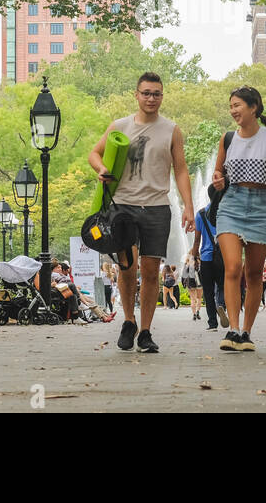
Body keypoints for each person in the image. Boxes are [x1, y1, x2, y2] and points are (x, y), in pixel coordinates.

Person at [88, 72, 195, 354]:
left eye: (156, 94)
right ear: (136, 95)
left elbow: (181, 169)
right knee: (127, 267)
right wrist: (101, 169)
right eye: (146, 93)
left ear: (162, 96)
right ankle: (128, 321)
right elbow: (94, 154)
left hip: (158, 206)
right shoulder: (120, 126)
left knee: (150, 271)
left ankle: (146, 331)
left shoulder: (172, 129)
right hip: (123, 205)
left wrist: (188, 206)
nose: (151, 98)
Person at [211, 86, 266, 352]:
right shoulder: (228, 138)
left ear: (253, 107)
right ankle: (232, 330)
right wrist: (218, 181)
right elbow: (217, 175)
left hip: (259, 206)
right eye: (231, 106)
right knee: (232, 267)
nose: (233, 111)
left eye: (237, 105)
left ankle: (246, 332)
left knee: (254, 273)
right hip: (231, 204)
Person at [193, 204, 225, 330]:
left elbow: (197, 240)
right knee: (224, 285)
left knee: (208, 291)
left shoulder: (200, 214)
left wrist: (194, 258)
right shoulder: (225, 210)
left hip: (206, 258)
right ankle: (221, 304)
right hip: (223, 256)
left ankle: (212, 323)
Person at [181, 254, 202, 320]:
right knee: (199, 298)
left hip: (190, 283)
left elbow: (183, 275)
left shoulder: (187, 264)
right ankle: (198, 311)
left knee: (192, 299)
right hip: (199, 283)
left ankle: (194, 314)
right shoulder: (199, 264)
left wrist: (183, 284)